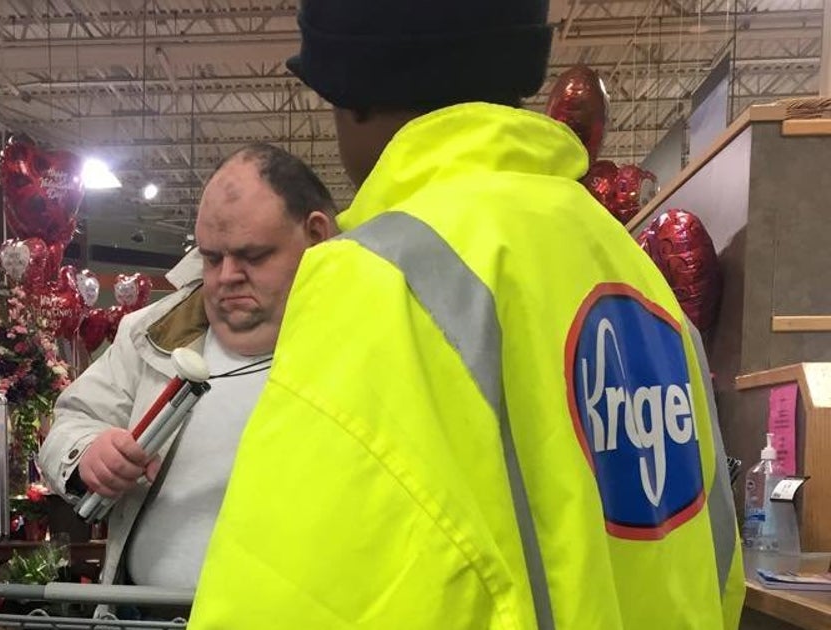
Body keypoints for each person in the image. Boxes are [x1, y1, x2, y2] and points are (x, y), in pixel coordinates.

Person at [188, 1, 745, 628]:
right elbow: (716, 558)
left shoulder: (379, 277)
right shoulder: (635, 271)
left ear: (354, 96)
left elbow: (291, 596)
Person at [38, 143, 337, 595]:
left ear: (316, 235)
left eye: (253, 256)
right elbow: (71, 422)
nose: (227, 275)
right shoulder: (150, 333)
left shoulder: (370, 339)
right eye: (212, 257)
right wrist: (89, 454)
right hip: (146, 616)